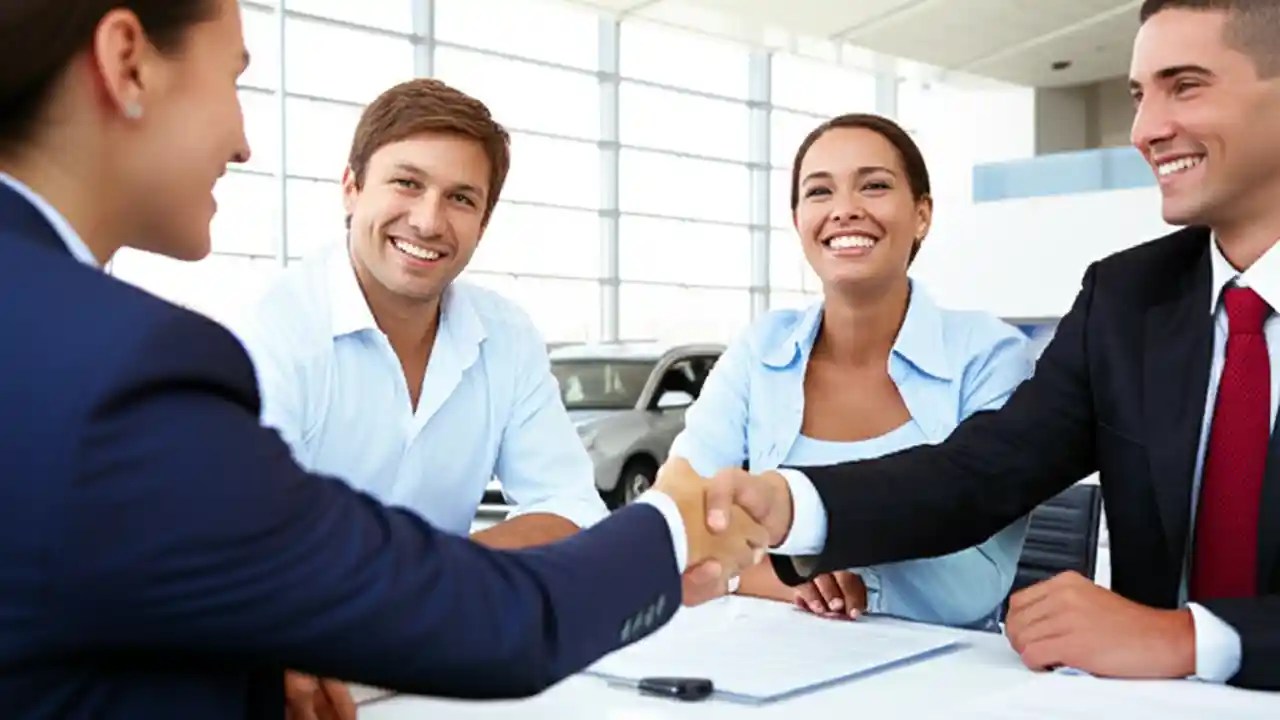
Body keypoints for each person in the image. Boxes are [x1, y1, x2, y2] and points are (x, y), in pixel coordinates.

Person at [0, 2, 767, 718]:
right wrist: (677, 524)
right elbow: (490, 621)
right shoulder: (141, 360)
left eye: (463, 199)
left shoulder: (54, 327)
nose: (243, 141)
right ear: (128, 61)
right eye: (232, 77)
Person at [688, 0, 1280, 691]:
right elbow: (979, 473)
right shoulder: (1127, 298)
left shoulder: (984, 347)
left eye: (1186, 86)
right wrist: (796, 504)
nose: (1147, 129)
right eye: (1138, 96)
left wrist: (1185, 637)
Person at [232, 74, 617, 720]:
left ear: (484, 222)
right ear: (351, 189)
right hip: (300, 672)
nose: (429, 220)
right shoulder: (274, 331)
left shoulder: (506, 335)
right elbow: (244, 546)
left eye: (461, 198)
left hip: (436, 658)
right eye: (407, 183)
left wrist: (433, 580)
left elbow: (574, 512)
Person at [668, 114, 1032, 628]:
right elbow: (685, 518)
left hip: (940, 676)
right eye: (819, 192)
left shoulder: (989, 357)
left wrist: (820, 576)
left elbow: (971, 585)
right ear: (798, 220)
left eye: (875, 186)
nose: (844, 210)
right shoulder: (760, 351)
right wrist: (790, 580)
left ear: (922, 215)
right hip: (769, 665)